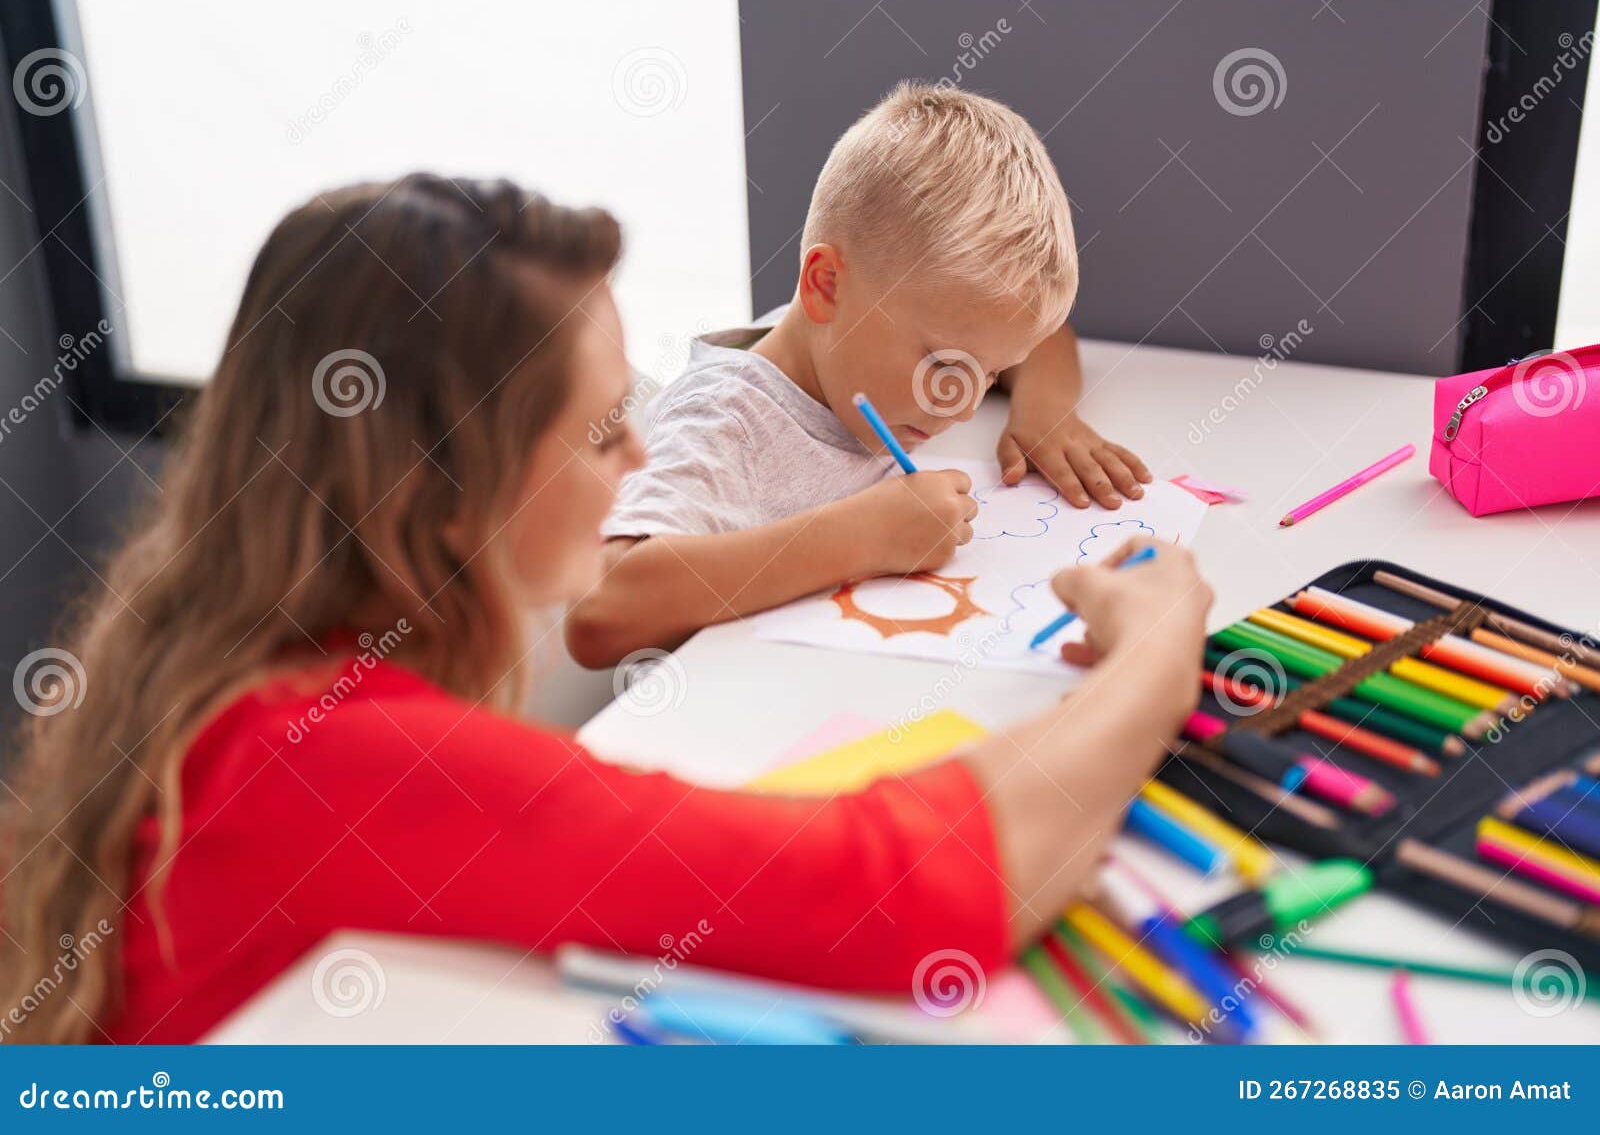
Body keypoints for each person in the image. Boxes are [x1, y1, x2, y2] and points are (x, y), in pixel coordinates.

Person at [0, 174, 1210, 1044]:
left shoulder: (230, 676)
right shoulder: (339, 760)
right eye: (594, 426)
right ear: (443, 486)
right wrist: (1153, 653)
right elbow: (894, 892)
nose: (638, 454)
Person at [566, 82, 1153, 668]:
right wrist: (860, 538)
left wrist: (1043, 415)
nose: (965, 406)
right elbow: (599, 611)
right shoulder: (727, 420)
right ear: (826, 285)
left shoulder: (848, 337)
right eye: (947, 366)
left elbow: (1041, 339)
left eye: (992, 371)